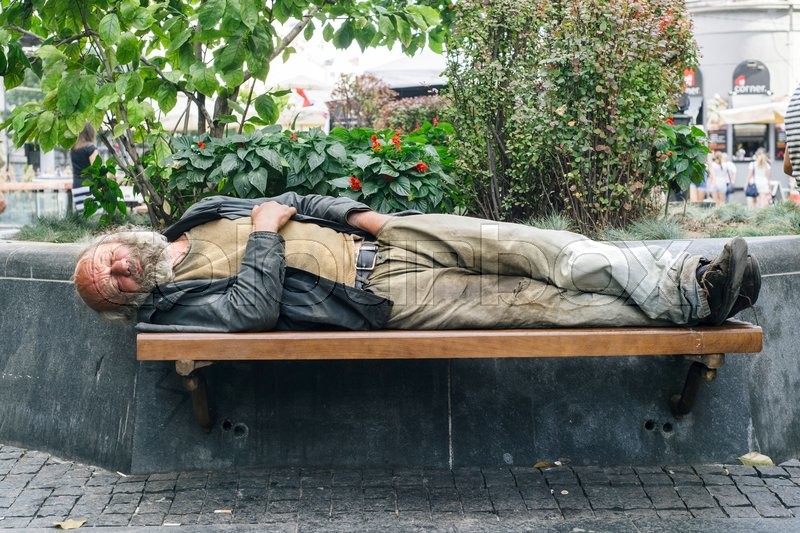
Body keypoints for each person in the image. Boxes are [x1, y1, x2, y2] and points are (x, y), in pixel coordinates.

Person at [73, 194, 761, 333]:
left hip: (391, 238)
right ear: (126, 302)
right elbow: (251, 309)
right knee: (539, 303)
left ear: (113, 240)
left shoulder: (196, 215)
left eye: (111, 260)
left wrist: (355, 215)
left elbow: (289, 199)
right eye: (117, 285)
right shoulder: (173, 306)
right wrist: (261, 234)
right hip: (378, 298)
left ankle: (688, 287)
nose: (124, 270)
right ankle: (696, 292)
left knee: (538, 248)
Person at [70, 123, 98, 189]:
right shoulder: (91, 148)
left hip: (76, 186)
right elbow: (96, 170)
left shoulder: (73, 148)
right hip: (89, 186)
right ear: (91, 132)